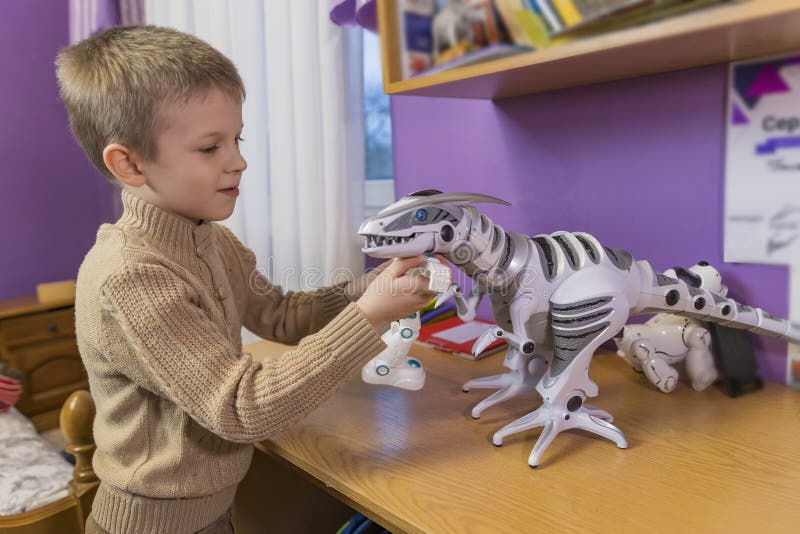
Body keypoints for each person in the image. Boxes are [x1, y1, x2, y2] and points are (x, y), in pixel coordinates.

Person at [56, 25, 442, 534]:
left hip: (215, 510)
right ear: (129, 163)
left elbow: (280, 314)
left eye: (235, 139)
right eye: (210, 147)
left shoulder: (211, 240)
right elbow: (242, 409)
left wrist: (367, 290)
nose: (238, 161)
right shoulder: (131, 277)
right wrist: (370, 317)